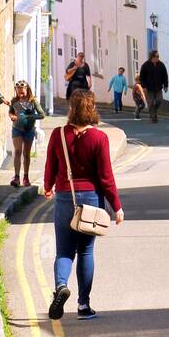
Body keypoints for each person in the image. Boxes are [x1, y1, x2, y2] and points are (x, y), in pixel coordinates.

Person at [43, 90, 123, 320]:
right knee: (86, 251)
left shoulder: (58, 134)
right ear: (92, 109)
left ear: (71, 108)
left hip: (65, 197)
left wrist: (48, 186)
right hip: (91, 199)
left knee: (64, 251)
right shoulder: (100, 138)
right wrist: (116, 206)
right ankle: (83, 306)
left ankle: (60, 286)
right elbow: (106, 177)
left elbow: (51, 164)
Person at [9, 81, 45, 187]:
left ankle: (26, 176)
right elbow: (11, 111)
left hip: (29, 130)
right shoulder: (14, 101)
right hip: (17, 129)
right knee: (18, 150)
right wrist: (12, 116)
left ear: (27, 89)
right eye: (18, 89)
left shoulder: (33, 101)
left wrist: (29, 117)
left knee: (26, 154)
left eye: (22, 89)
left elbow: (42, 115)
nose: (20, 92)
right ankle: (16, 177)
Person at [138, 50, 168, 122]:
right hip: (149, 88)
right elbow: (142, 77)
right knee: (150, 102)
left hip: (158, 87)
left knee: (159, 100)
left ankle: (154, 111)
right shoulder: (145, 65)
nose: (158, 58)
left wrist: (166, 85)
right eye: (156, 56)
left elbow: (165, 75)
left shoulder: (161, 65)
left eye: (158, 56)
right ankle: (153, 116)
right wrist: (144, 86)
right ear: (152, 57)